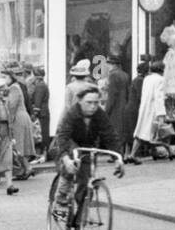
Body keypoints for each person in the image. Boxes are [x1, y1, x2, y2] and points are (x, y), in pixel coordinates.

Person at [51, 85, 124, 214]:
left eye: (96, 103)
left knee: (86, 181)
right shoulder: (72, 113)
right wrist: (66, 159)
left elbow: (110, 135)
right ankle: (61, 197)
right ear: (80, 101)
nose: (93, 106)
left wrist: (118, 158)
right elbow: (63, 136)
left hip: (88, 145)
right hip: (70, 142)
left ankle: (82, 213)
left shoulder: (100, 114)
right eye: (89, 103)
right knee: (71, 164)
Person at [131, 60, 167, 159]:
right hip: (153, 110)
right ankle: (170, 151)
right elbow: (158, 97)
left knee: (141, 132)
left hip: (144, 108)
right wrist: (161, 114)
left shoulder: (147, 78)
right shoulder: (160, 80)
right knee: (160, 133)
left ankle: (132, 154)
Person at [2, 65, 35, 165]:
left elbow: (12, 107)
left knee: (18, 145)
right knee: (19, 145)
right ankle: (26, 168)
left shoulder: (14, 88)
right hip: (21, 117)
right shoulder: (15, 87)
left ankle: (26, 168)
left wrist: (10, 123)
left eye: (6, 77)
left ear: (11, 77)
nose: (4, 80)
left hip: (18, 118)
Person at [102, 55, 130, 162]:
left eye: (108, 64)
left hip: (115, 108)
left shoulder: (113, 75)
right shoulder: (125, 75)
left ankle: (116, 155)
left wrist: (107, 110)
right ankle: (121, 153)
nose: (107, 66)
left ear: (113, 64)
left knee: (114, 132)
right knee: (122, 131)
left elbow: (112, 95)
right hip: (124, 106)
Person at [30, 66, 51, 155]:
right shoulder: (42, 84)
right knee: (43, 133)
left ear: (36, 76)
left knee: (42, 134)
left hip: (41, 114)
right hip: (44, 113)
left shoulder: (40, 86)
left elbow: (37, 103)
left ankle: (43, 153)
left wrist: (34, 114)